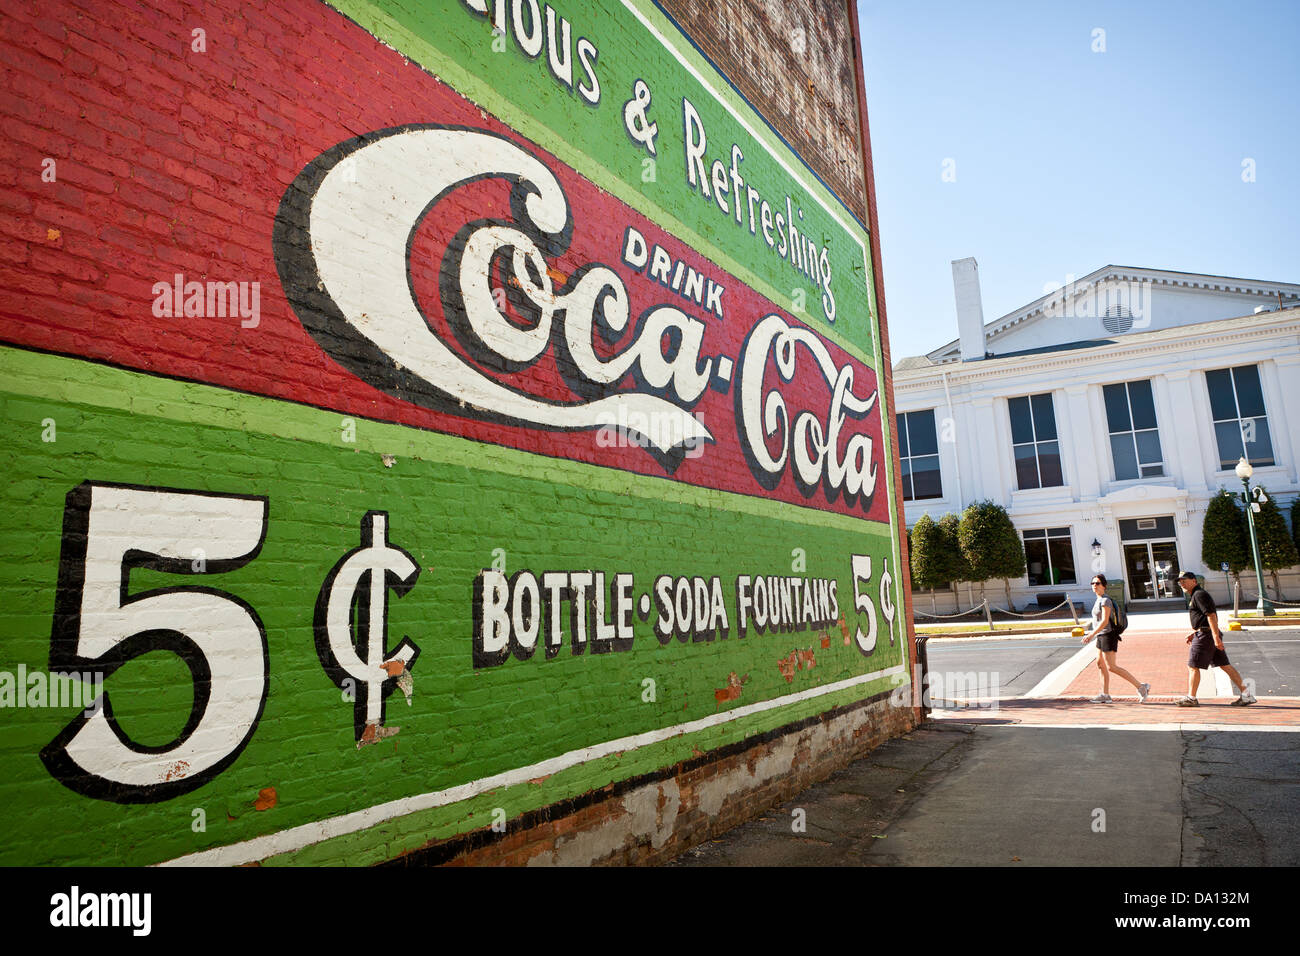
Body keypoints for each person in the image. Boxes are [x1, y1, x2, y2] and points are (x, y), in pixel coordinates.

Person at [1177, 570, 1255, 706]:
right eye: (1180, 581)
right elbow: (1204, 618)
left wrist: (1215, 637)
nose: (1182, 583)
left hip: (1206, 636)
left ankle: (1191, 698)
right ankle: (1246, 695)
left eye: (1184, 580)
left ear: (1194, 581)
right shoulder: (1196, 595)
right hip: (1206, 633)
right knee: (1225, 665)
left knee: (1193, 666)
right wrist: (1196, 632)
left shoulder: (1199, 594)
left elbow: (1211, 615)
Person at [1081, 574, 1150, 703]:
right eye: (1092, 583)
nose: (1094, 586)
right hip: (1101, 635)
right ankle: (1105, 694)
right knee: (1100, 664)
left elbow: (1104, 621)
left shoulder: (1105, 600)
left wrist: (1090, 634)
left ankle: (1142, 687)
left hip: (1108, 635)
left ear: (1104, 586)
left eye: (1097, 583)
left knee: (1112, 667)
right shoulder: (1098, 599)